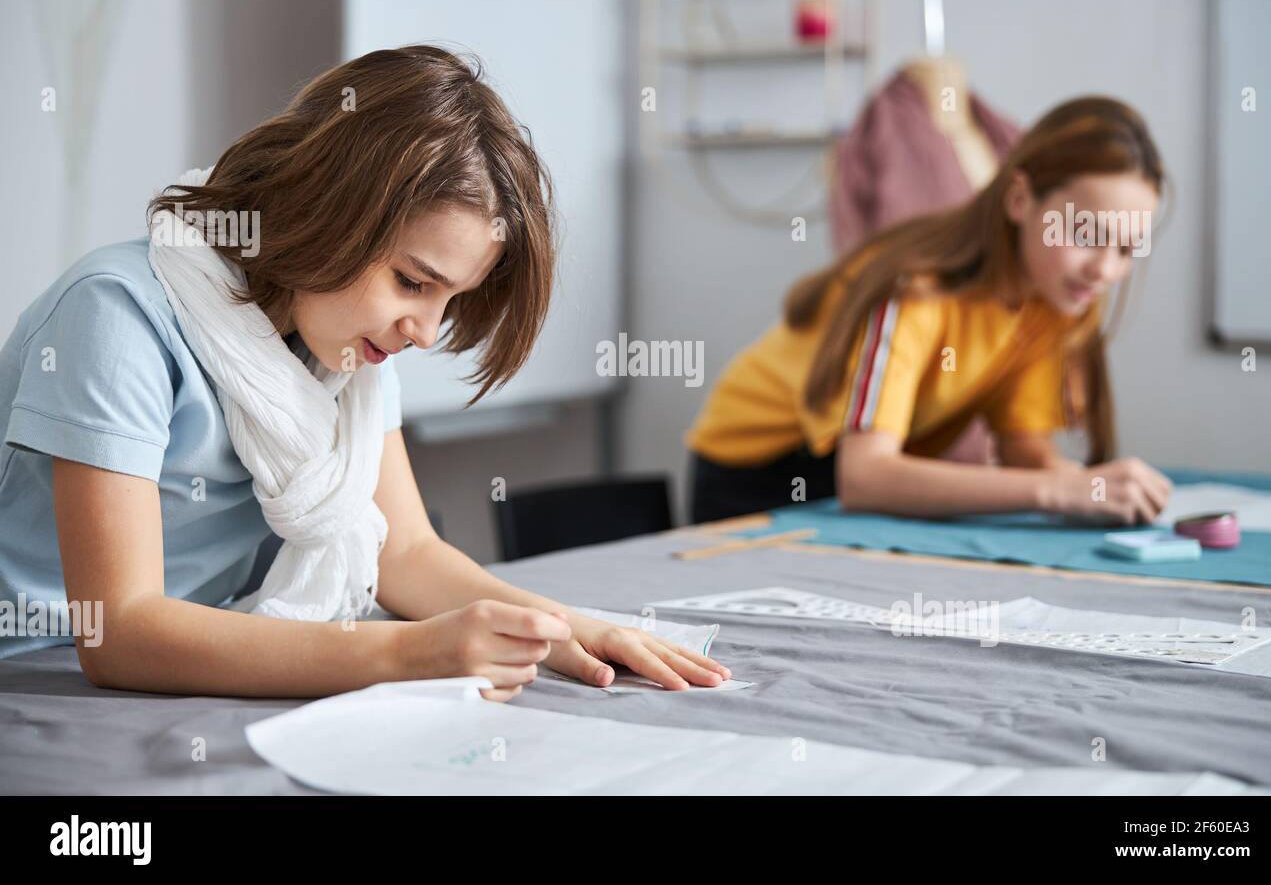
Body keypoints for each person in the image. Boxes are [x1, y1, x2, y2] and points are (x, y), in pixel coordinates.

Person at [0, 45, 730, 698]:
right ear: (325, 210)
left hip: (191, 664)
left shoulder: (346, 343)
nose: (425, 330)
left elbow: (406, 554)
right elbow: (120, 633)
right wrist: (410, 651)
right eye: (413, 282)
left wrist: (566, 627)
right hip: (38, 673)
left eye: (451, 297)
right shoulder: (117, 316)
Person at [687, 97, 1172, 527]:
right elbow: (866, 478)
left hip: (849, 474)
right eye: (1087, 234)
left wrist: (1097, 486)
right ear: (1021, 199)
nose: (1105, 269)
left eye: (1127, 249)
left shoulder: (1053, 299)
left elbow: (1023, 452)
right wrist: (1062, 489)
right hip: (758, 476)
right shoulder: (918, 290)